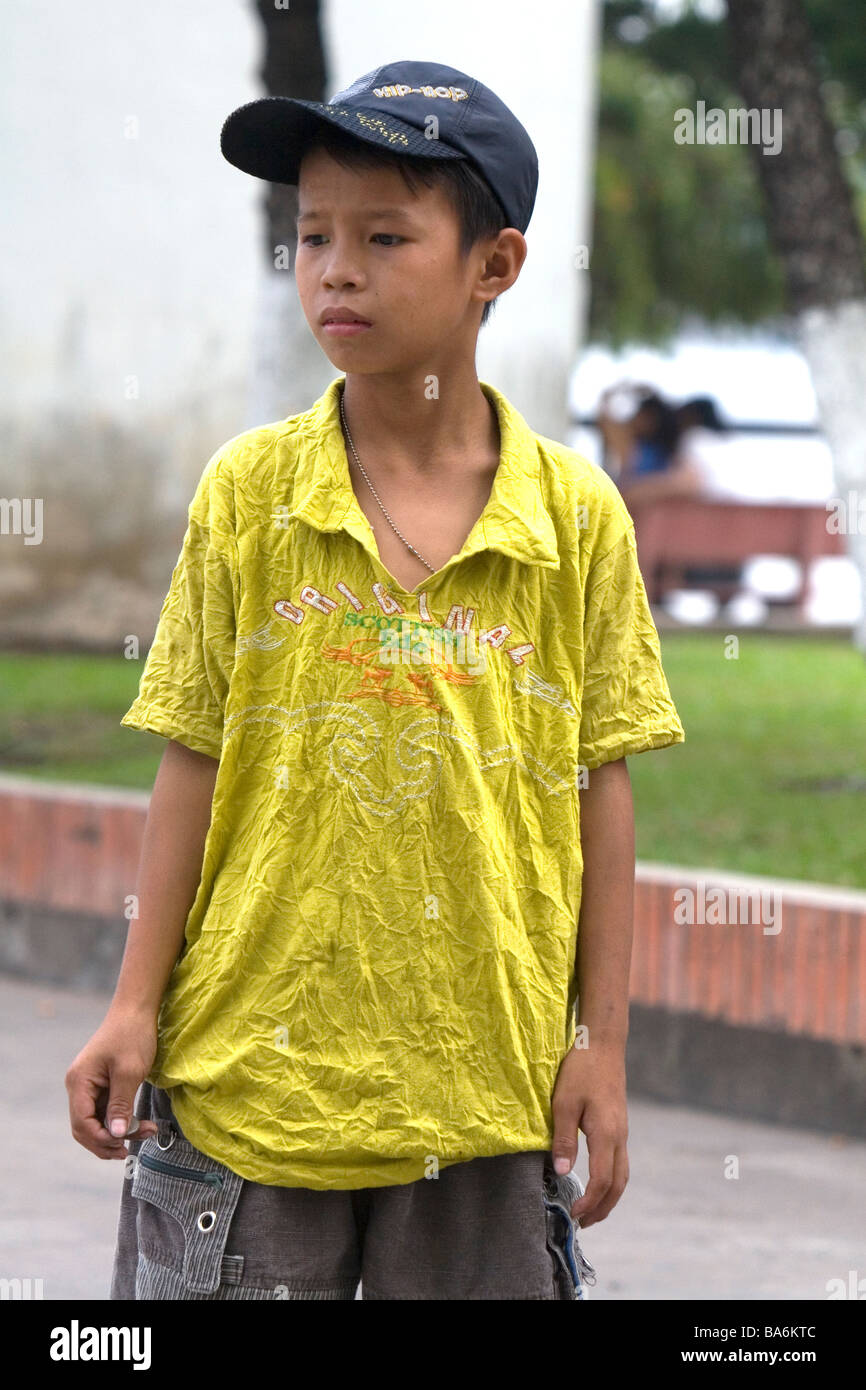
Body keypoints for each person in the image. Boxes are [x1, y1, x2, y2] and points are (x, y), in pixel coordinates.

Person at [65, 59, 685, 1301]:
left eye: (383, 236)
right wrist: (135, 1003)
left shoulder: (573, 519)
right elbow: (192, 753)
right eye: (310, 235)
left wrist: (597, 1047)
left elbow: (597, 788)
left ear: (492, 267)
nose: (333, 269)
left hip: (485, 1090)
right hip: (250, 1083)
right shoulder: (251, 490)